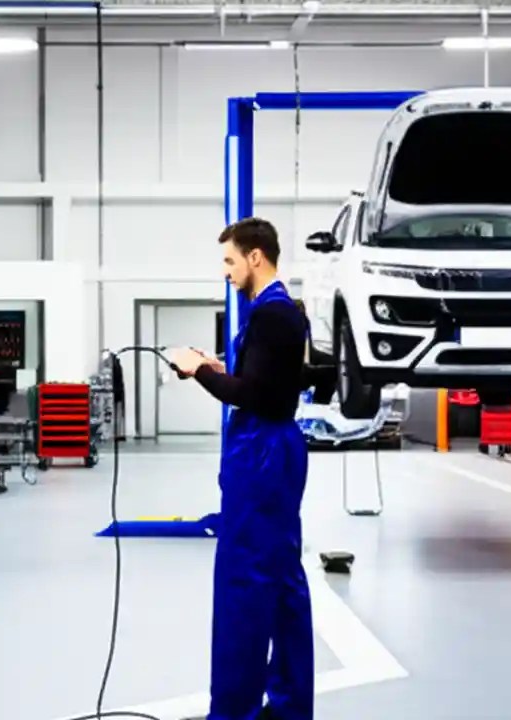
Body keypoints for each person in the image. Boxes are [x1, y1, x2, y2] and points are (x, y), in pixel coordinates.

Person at [169, 218, 314, 720]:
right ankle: (292, 703)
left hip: (262, 451)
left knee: (245, 580)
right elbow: (267, 384)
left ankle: (234, 711)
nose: (227, 272)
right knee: (282, 578)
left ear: (256, 257)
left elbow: (256, 397)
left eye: (230, 261)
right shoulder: (282, 313)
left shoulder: (272, 316)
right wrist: (222, 369)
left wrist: (199, 371)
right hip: (275, 448)